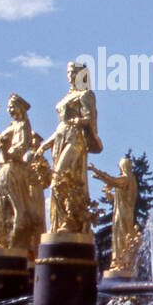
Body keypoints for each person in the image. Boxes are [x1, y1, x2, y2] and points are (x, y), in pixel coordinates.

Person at [37, 62, 102, 235]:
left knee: (61, 179)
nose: (70, 75)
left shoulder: (86, 94)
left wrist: (78, 121)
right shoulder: (68, 96)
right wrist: (44, 145)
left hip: (75, 140)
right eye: (68, 72)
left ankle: (70, 221)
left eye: (74, 72)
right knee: (59, 182)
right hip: (60, 139)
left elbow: (89, 117)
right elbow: (60, 126)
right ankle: (59, 224)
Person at [0, 93, 44, 258]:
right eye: (8, 107)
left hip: (12, 169)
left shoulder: (23, 126)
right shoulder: (12, 125)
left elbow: (20, 148)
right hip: (3, 168)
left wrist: (5, 151)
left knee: (11, 206)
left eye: (12, 106)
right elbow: (0, 143)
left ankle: (16, 241)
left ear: (20, 108)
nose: (9, 110)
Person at [90, 157, 139, 273]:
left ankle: (122, 263)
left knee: (121, 237)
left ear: (123, 167)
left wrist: (95, 170)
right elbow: (118, 198)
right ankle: (120, 263)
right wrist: (108, 194)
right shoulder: (129, 180)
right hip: (123, 212)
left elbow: (111, 180)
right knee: (119, 237)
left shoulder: (126, 179)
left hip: (123, 214)